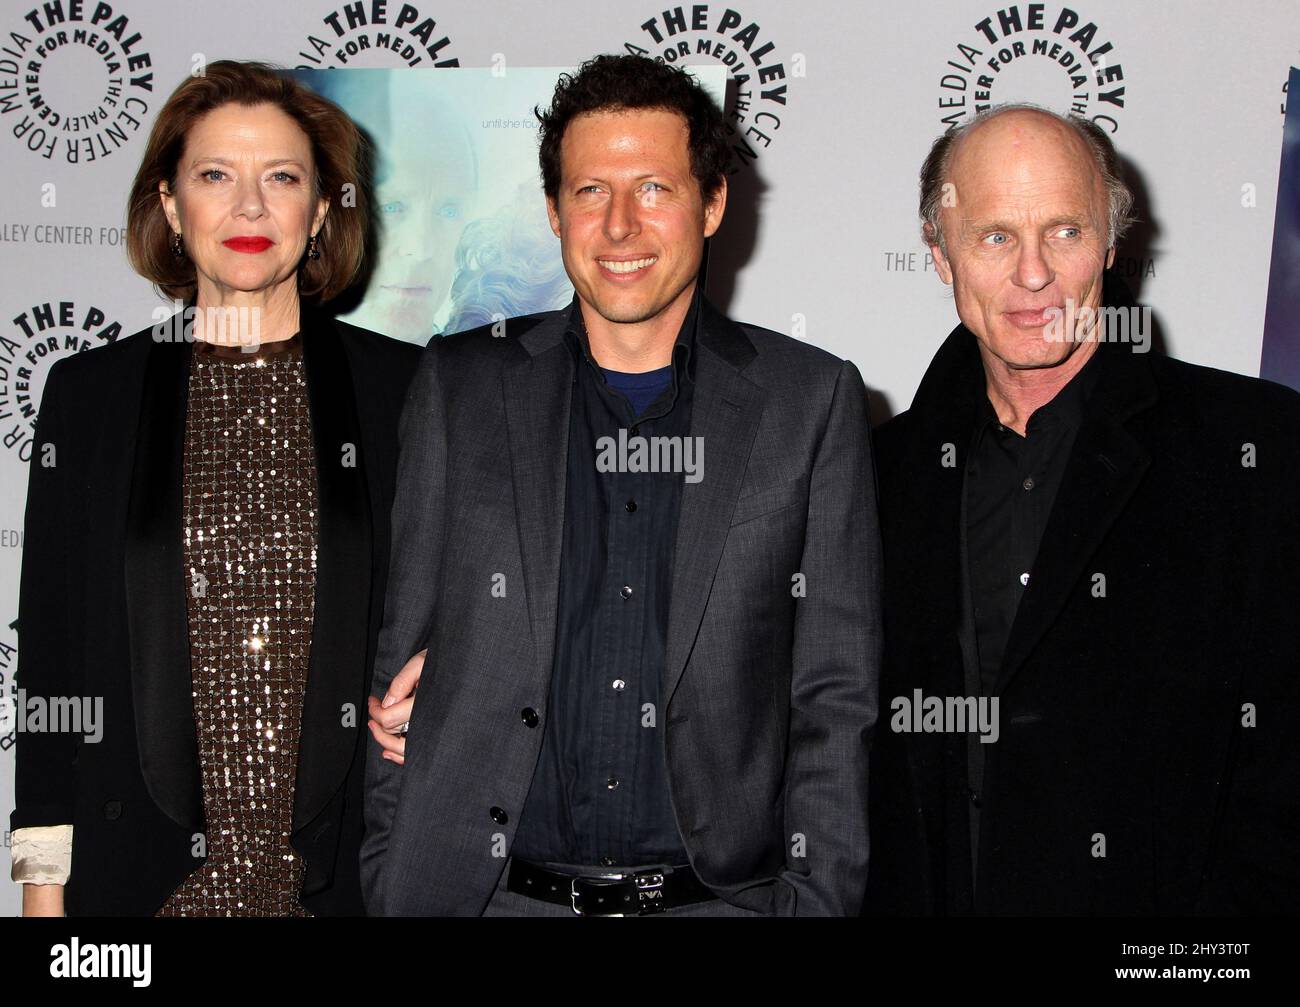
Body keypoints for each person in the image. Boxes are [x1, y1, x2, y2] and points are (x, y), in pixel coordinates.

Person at [362, 54, 881, 917]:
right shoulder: (461, 385)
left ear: (712, 204)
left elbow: (835, 693)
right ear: (555, 211)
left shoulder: (810, 400)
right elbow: (400, 658)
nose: (619, 225)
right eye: (590, 192)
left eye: (653, 189)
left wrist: (815, 899)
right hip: (489, 901)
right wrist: (396, 873)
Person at [865, 104, 1300, 915]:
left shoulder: (1258, 450)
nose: (1033, 274)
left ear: (1109, 240)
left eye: (1064, 231)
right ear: (939, 254)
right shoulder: (878, 474)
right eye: (994, 236)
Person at [9, 60, 419, 916]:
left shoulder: (404, 392)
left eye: (282, 178)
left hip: (342, 876)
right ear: (168, 204)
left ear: (319, 212)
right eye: (214, 176)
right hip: (138, 881)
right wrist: (42, 894)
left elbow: (470, 600)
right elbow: (50, 658)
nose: (250, 207)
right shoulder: (91, 397)